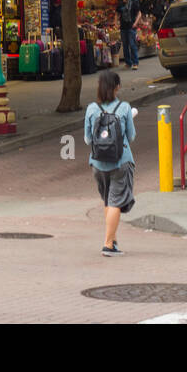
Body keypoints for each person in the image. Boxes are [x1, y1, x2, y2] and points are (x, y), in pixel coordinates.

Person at [84, 70, 136, 256]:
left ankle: (112, 241)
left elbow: (88, 139)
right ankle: (107, 244)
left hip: (98, 164)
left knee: (108, 200)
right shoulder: (124, 107)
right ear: (117, 87)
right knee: (115, 202)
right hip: (120, 162)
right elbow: (131, 136)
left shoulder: (91, 109)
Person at [116, 0, 141, 70]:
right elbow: (117, 14)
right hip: (123, 27)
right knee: (125, 45)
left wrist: (136, 23)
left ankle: (135, 63)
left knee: (132, 44)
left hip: (131, 26)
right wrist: (116, 23)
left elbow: (139, 13)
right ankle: (128, 62)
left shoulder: (133, 2)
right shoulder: (120, 4)